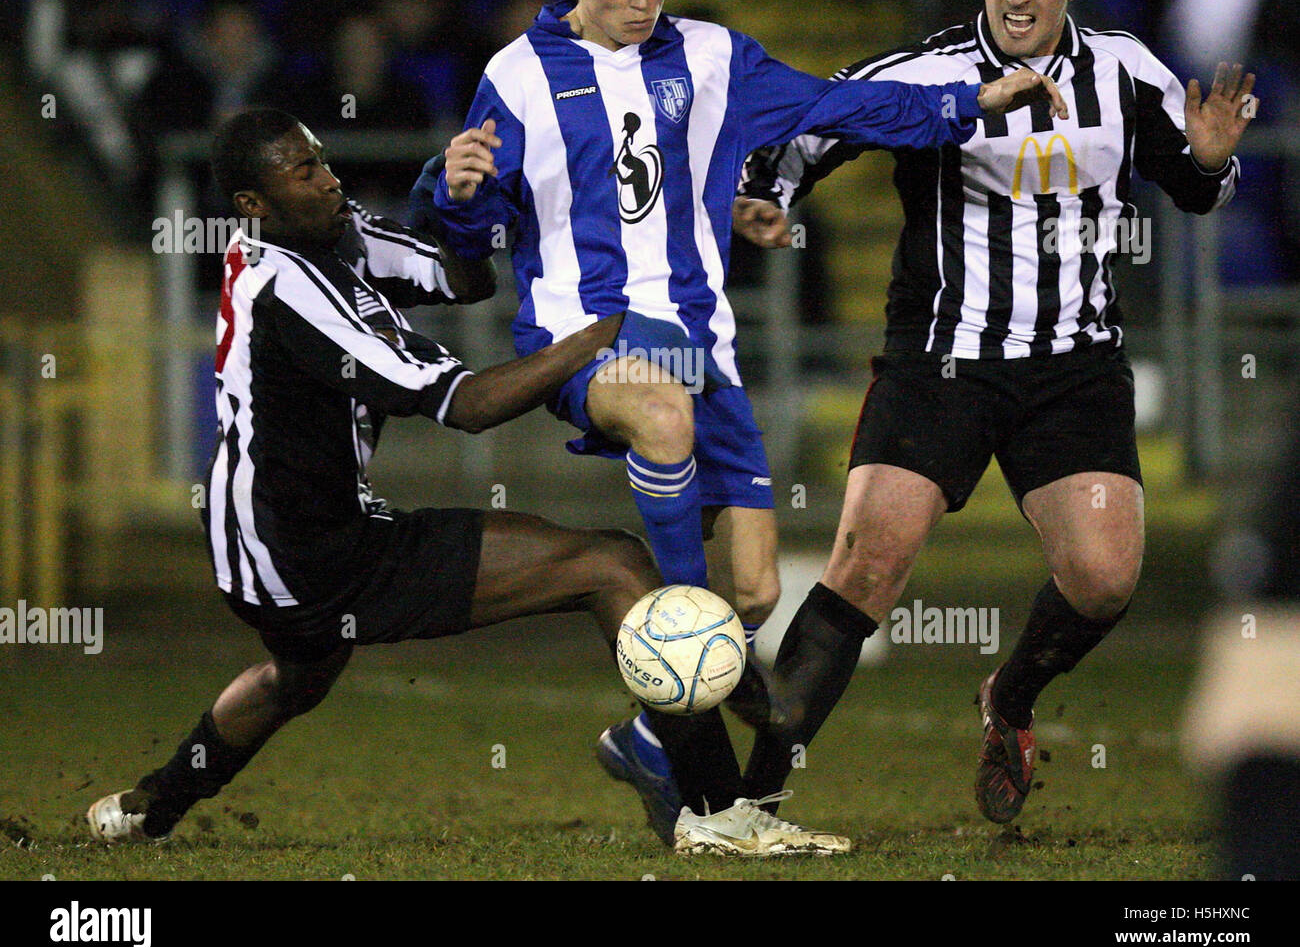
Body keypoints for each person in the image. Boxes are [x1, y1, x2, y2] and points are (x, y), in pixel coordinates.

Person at [408, 0, 1061, 830]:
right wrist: (455, 189)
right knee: (661, 421)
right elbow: (467, 227)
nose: (641, 0)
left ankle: (647, 734)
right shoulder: (516, 75)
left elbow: (841, 106)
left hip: (699, 339)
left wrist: (972, 100)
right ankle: (685, 658)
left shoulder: (714, 58)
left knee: (754, 587)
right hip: (580, 336)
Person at [84, 108, 841, 856]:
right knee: (611, 565)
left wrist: (466, 202)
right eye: (305, 170)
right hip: (303, 550)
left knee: (298, 673)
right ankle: (715, 809)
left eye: (321, 156)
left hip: (283, 534)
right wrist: (602, 333)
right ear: (252, 205)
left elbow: (461, 279)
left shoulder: (331, 236)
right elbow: (469, 406)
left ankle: (151, 803)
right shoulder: (290, 290)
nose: (329, 178)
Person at [733, 0, 1257, 825]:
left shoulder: (1126, 72)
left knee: (1104, 579)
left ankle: (1007, 701)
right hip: (942, 357)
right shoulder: (929, 71)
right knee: (863, 566)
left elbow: (1192, 190)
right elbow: (815, 124)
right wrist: (770, 191)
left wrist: (1212, 162)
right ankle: (751, 800)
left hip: (1075, 366)